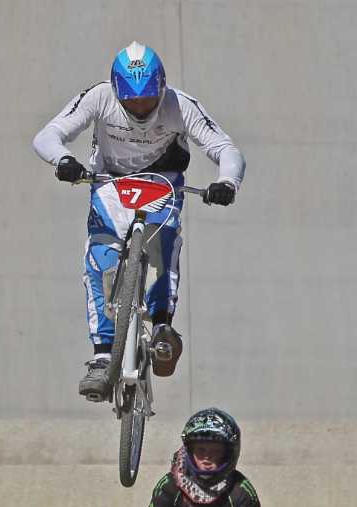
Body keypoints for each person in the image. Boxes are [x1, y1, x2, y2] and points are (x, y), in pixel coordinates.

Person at [32, 41, 245, 401]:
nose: (141, 108)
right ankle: (102, 355)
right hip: (110, 182)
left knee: (164, 246)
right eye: (131, 101)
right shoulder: (98, 97)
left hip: (162, 182)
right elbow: (47, 136)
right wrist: (63, 160)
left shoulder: (181, 104)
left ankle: (163, 325)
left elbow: (225, 149)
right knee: (99, 259)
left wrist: (227, 183)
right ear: (116, 91)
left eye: (148, 100)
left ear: (161, 88)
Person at [138, 408, 263, 507]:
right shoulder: (169, 486)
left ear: (228, 454)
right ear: (189, 451)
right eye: (200, 450)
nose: (207, 458)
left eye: (215, 451)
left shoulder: (241, 490)